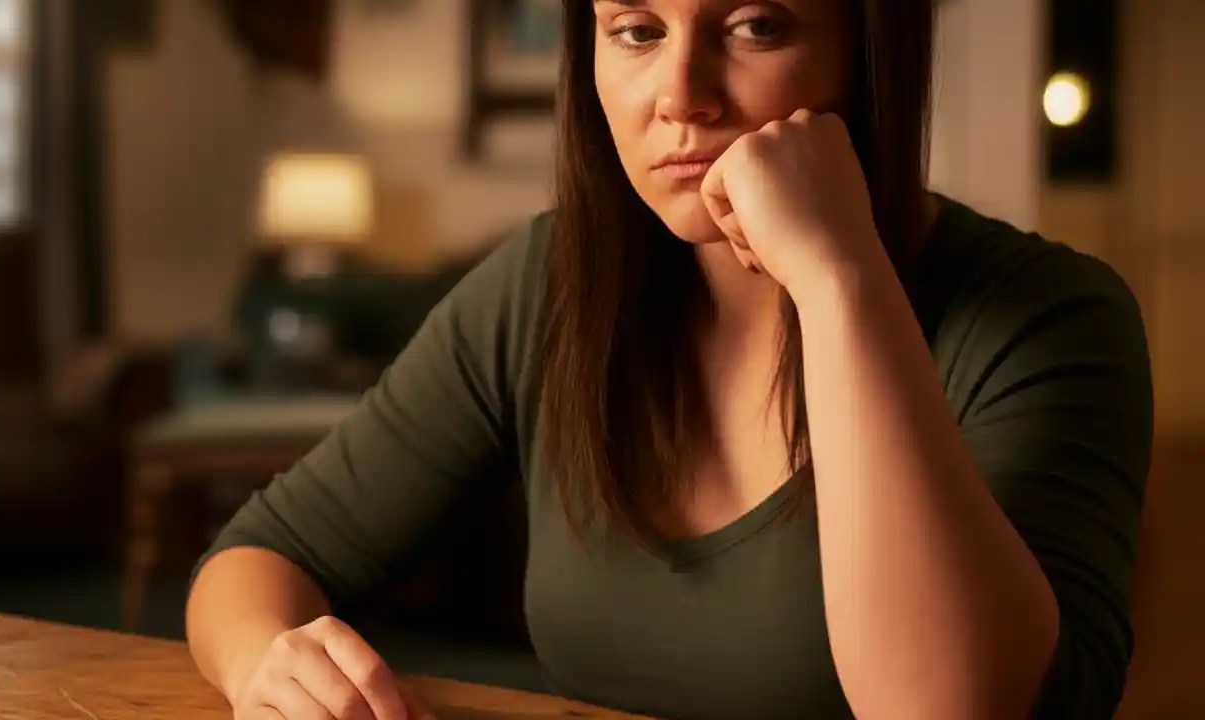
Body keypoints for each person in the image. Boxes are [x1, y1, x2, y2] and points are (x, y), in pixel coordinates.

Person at [186, 0, 1154, 718]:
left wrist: (835, 278)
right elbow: (259, 558)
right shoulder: (550, 283)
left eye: (754, 25)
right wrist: (266, 662)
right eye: (636, 30)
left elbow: (947, 709)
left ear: (863, 53)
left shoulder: (1048, 318)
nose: (680, 98)